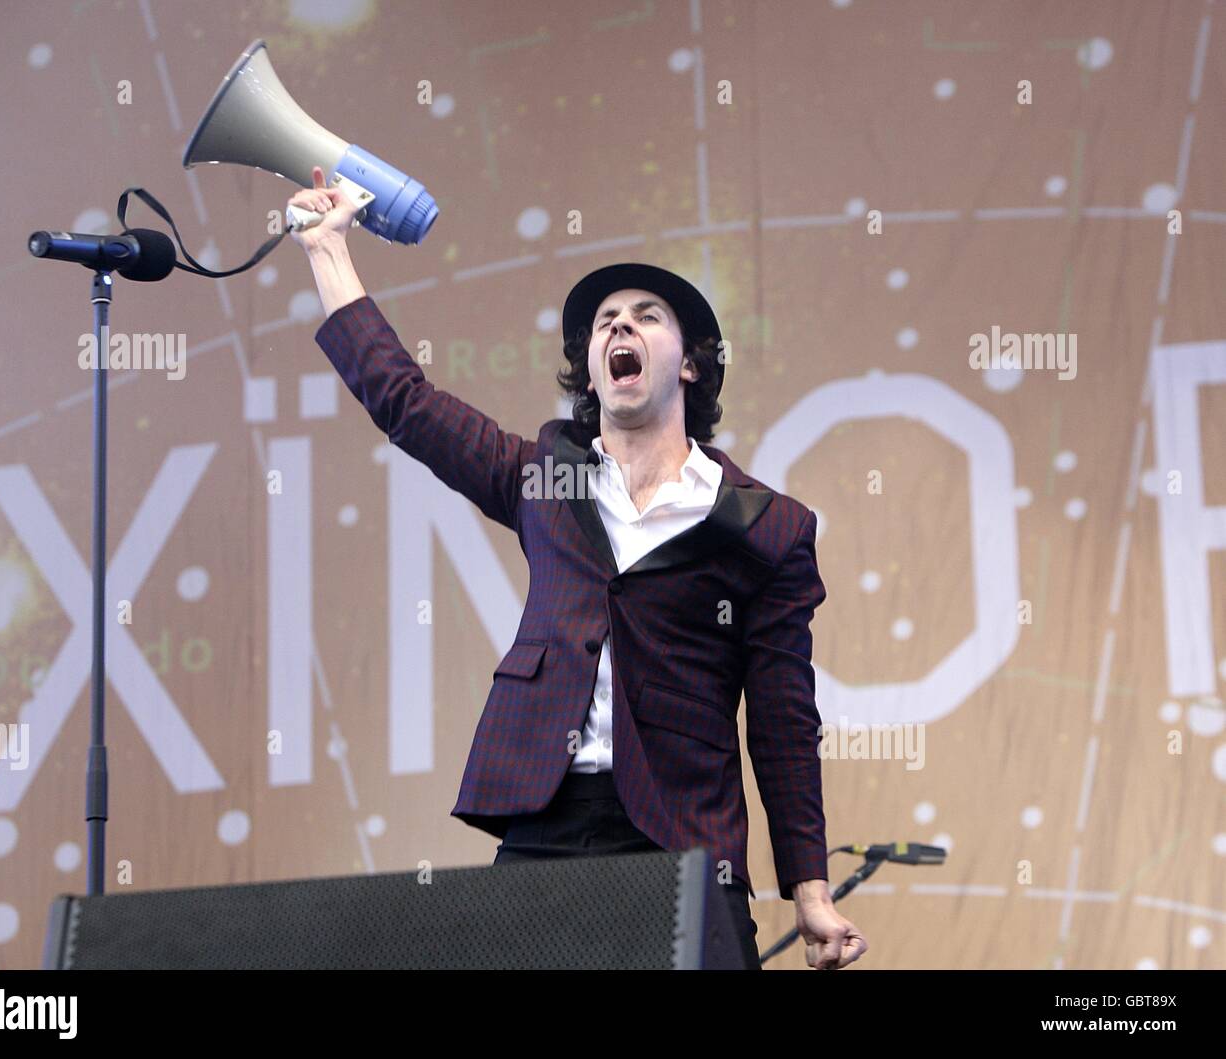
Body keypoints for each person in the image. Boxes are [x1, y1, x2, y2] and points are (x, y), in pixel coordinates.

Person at [290, 167, 867, 970]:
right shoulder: (541, 478)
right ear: (591, 369)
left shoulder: (763, 523)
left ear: (691, 364)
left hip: (682, 833)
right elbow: (406, 402)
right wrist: (327, 250)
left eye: (645, 317)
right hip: (544, 822)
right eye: (603, 323)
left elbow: (780, 723)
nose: (617, 329)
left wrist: (810, 890)